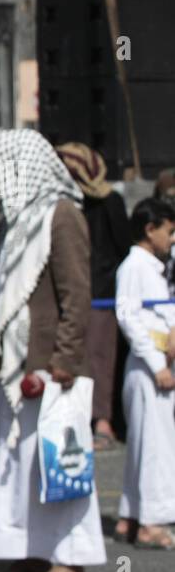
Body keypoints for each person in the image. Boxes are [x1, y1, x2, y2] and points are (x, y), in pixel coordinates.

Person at [0, 129, 103, 572]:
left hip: (52, 368)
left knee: (60, 464)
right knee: (21, 463)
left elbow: (77, 293)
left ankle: (71, 562)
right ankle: (28, 553)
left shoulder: (62, 215)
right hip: (17, 367)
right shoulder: (19, 220)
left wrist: (65, 359)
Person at [56, 144, 131, 452]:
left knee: (101, 358)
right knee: (76, 358)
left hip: (101, 294)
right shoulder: (64, 204)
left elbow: (121, 246)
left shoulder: (108, 201)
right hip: (73, 293)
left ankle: (102, 421)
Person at [114, 198, 175, 549]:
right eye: (168, 231)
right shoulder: (134, 266)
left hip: (156, 361)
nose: (171, 239)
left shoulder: (152, 267)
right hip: (149, 364)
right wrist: (157, 363)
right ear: (149, 229)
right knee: (154, 445)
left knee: (146, 442)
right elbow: (129, 318)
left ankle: (131, 514)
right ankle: (151, 522)